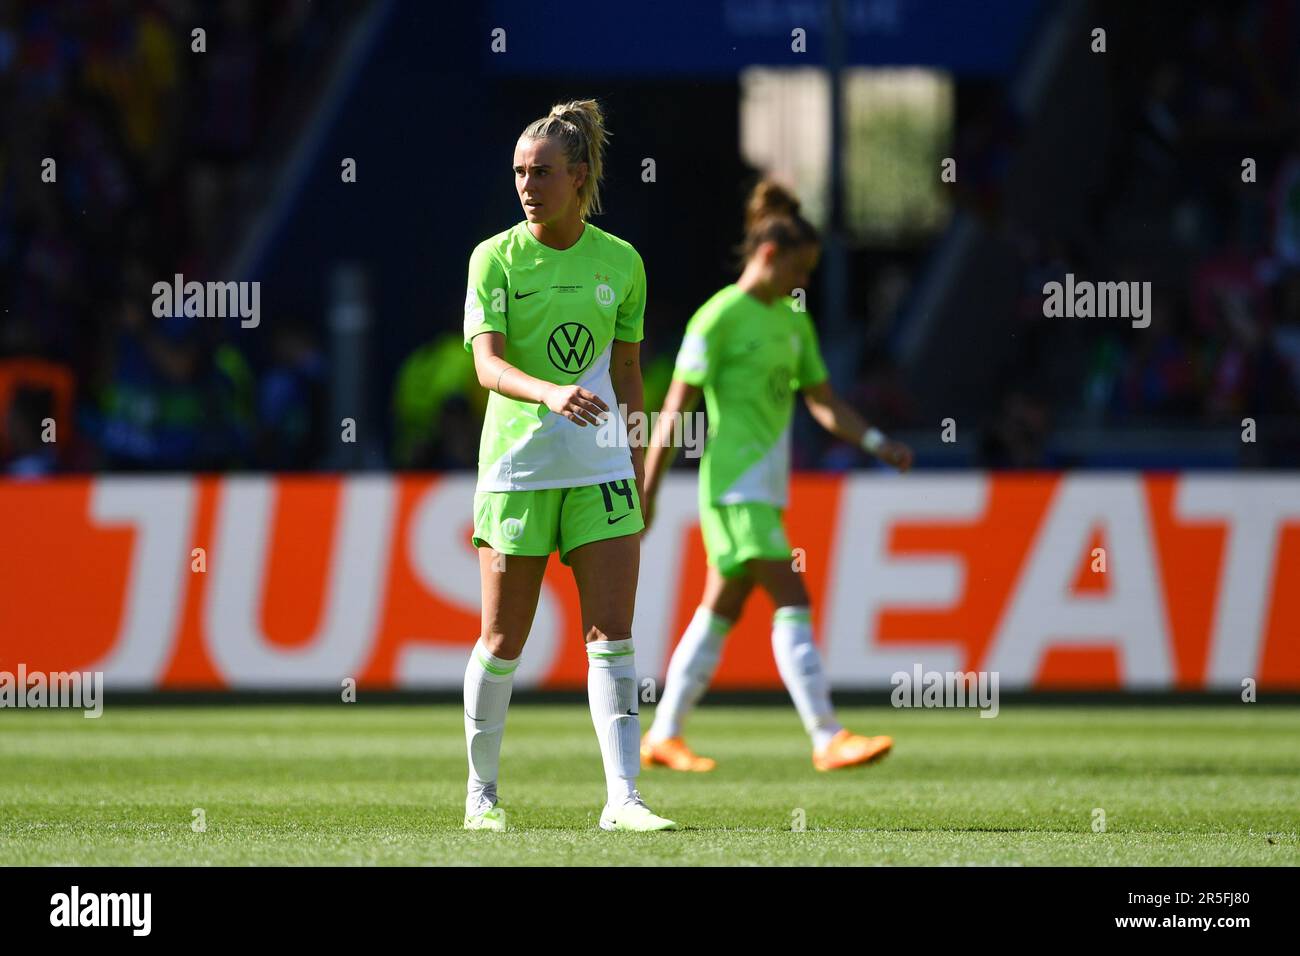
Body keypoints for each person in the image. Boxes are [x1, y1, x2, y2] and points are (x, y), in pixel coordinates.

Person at [640, 180, 914, 772]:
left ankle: (663, 733)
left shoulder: (794, 323)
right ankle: (826, 734)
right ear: (768, 256)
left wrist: (874, 441)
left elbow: (820, 400)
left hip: (764, 488)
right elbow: (674, 411)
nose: (805, 283)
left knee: (722, 607)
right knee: (792, 592)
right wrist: (649, 489)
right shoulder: (718, 318)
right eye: (801, 269)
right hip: (734, 487)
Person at [460, 99, 675, 832]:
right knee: (502, 641)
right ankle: (481, 797)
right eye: (520, 172)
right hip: (517, 471)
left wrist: (639, 461)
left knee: (611, 636)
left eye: (543, 172)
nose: (528, 185)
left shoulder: (622, 262)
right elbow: (487, 367)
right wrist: (549, 391)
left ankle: (624, 799)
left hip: (602, 471)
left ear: (578, 178)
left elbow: (630, 372)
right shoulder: (494, 258)